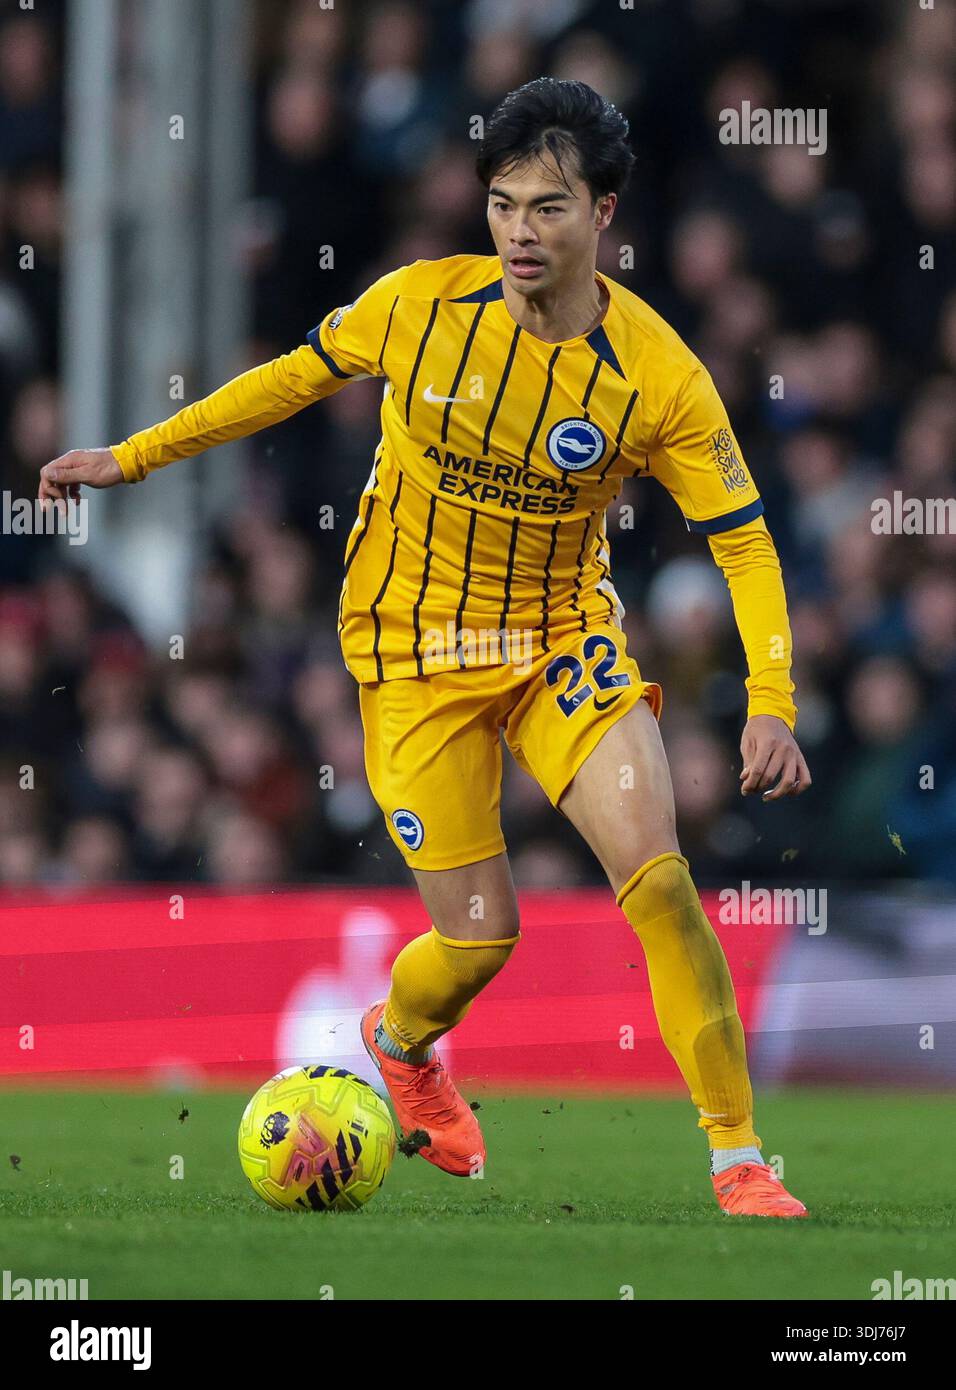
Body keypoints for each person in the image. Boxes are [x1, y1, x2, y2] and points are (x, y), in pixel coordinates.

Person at [39, 78, 811, 1217]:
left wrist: (770, 697)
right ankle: (400, 1043)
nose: (516, 231)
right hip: (409, 656)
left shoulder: (659, 376)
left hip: (558, 641)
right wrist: (136, 456)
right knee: (480, 940)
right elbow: (289, 379)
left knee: (658, 879)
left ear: (604, 214)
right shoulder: (418, 308)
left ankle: (737, 1157)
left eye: (547, 207)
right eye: (501, 204)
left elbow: (742, 541)